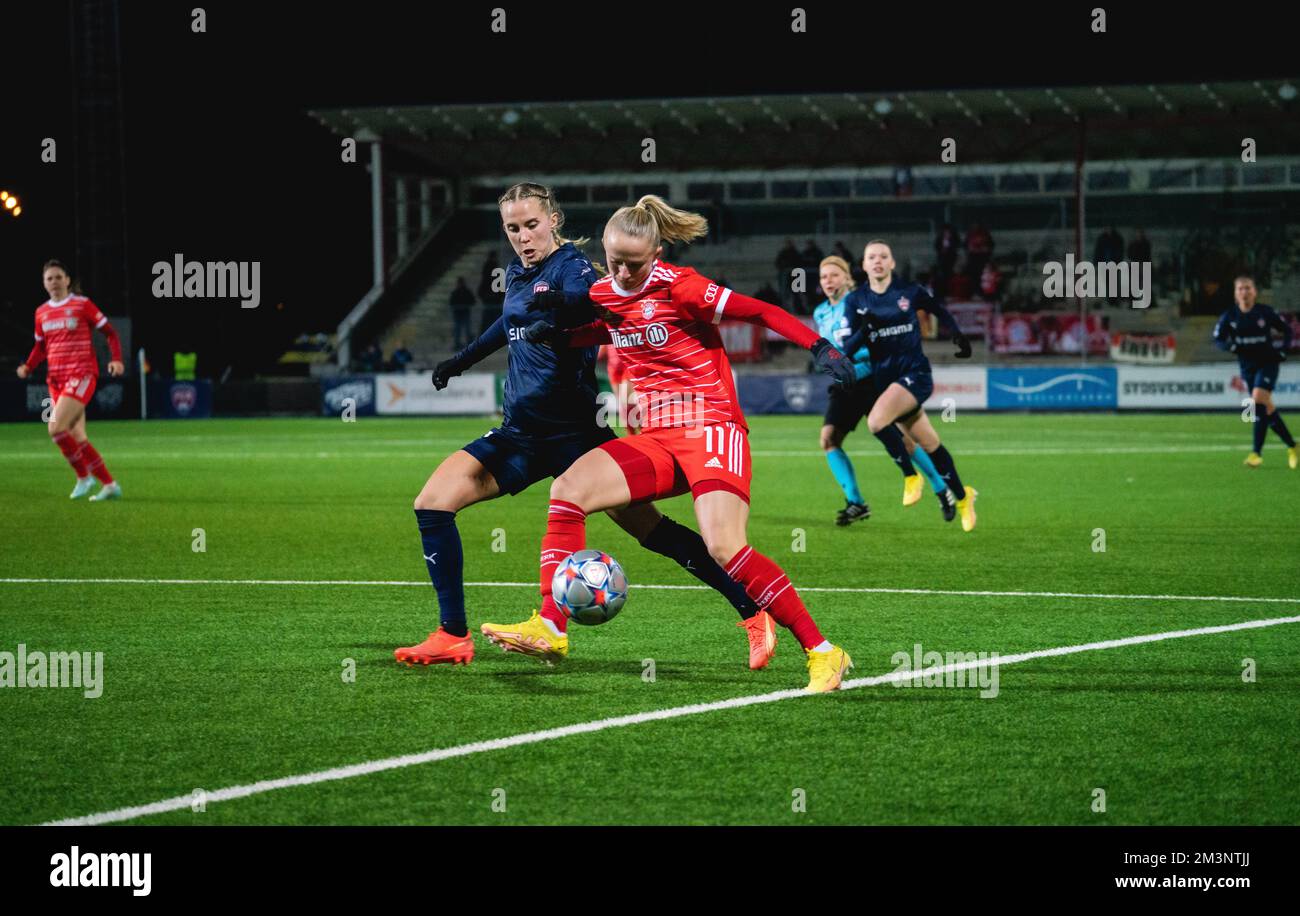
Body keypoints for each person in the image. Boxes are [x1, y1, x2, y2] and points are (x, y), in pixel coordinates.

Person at [480, 196, 858, 692]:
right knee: (568, 490)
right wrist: (555, 333)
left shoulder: (684, 288)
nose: (622, 272)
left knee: (726, 546)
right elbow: (611, 325)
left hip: (711, 428)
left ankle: (824, 652)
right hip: (658, 435)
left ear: (656, 252)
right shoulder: (608, 290)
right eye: (614, 262)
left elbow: (761, 311)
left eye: (634, 264)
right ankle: (551, 626)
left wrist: (818, 346)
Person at [394, 183, 764, 668]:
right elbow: (508, 324)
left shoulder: (573, 268)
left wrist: (556, 305)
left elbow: (587, 304)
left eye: (531, 225)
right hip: (520, 435)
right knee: (432, 503)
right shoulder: (517, 272)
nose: (523, 237)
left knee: (654, 532)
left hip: (575, 437)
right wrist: (459, 360)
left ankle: (753, 611)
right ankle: (452, 635)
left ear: (554, 220)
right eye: (512, 228)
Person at [840, 240, 979, 531]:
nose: (877, 261)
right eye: (871, 257)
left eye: (883, 256)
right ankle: (964, 497)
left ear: (892, 263)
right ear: (864, 266)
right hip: (886, 382)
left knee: (877, 422)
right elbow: (846, 350)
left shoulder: (909, 292)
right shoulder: (856, 301)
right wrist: (865, 330)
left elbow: (939, 310)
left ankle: (910, 476)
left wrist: (958, 335)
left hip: (915, 375)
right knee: (929, 444)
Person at [813, 256, 951, 525]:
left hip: (875, 379)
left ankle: (940, 488)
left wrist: (848, 355)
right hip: (846, 385)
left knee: (906, 441)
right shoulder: (820, 312)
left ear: (846, 278)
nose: (828, 281)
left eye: (833, 275)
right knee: (829, 439)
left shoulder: (862, 304)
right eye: (823, 277)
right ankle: (856, 502)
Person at [15, 259, 124, 501]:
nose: (53, 282)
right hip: (56, 379)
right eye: (49, 278)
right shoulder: (41, 313)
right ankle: (109, 484)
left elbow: (110, 333)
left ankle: (84, 477)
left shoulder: (82, 305)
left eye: (57, 277)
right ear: (44, 284)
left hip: (81, 374)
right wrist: (28, 366)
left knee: (55, 427)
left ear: (67, 280)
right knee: (76, 435)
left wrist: (116, 359)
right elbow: (41, 346)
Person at [1212, 274, 1296, 468]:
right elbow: (1218, 339)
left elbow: (1287, 330)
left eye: (1248, 288)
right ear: (1235, 294)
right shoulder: (1230, 316)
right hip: (1247, 366)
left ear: (1255, 292)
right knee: (1265, 407)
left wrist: (1283, 350)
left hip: (1268, 362)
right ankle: (1293, 445)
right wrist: (1230, 347)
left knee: (1257, 398)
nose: (1244, 292)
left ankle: (1256, 453)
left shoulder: (1265, 313)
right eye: (1240, 288)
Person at [449, 277, 476, 349]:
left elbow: (472, 301)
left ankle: (469, 345)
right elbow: (451, 302)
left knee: (467, 329)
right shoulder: (455, 292)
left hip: (465, 312)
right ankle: (457, 344)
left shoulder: (467, 292)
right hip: (457, 313)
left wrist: (465, 304)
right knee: (457, 330)